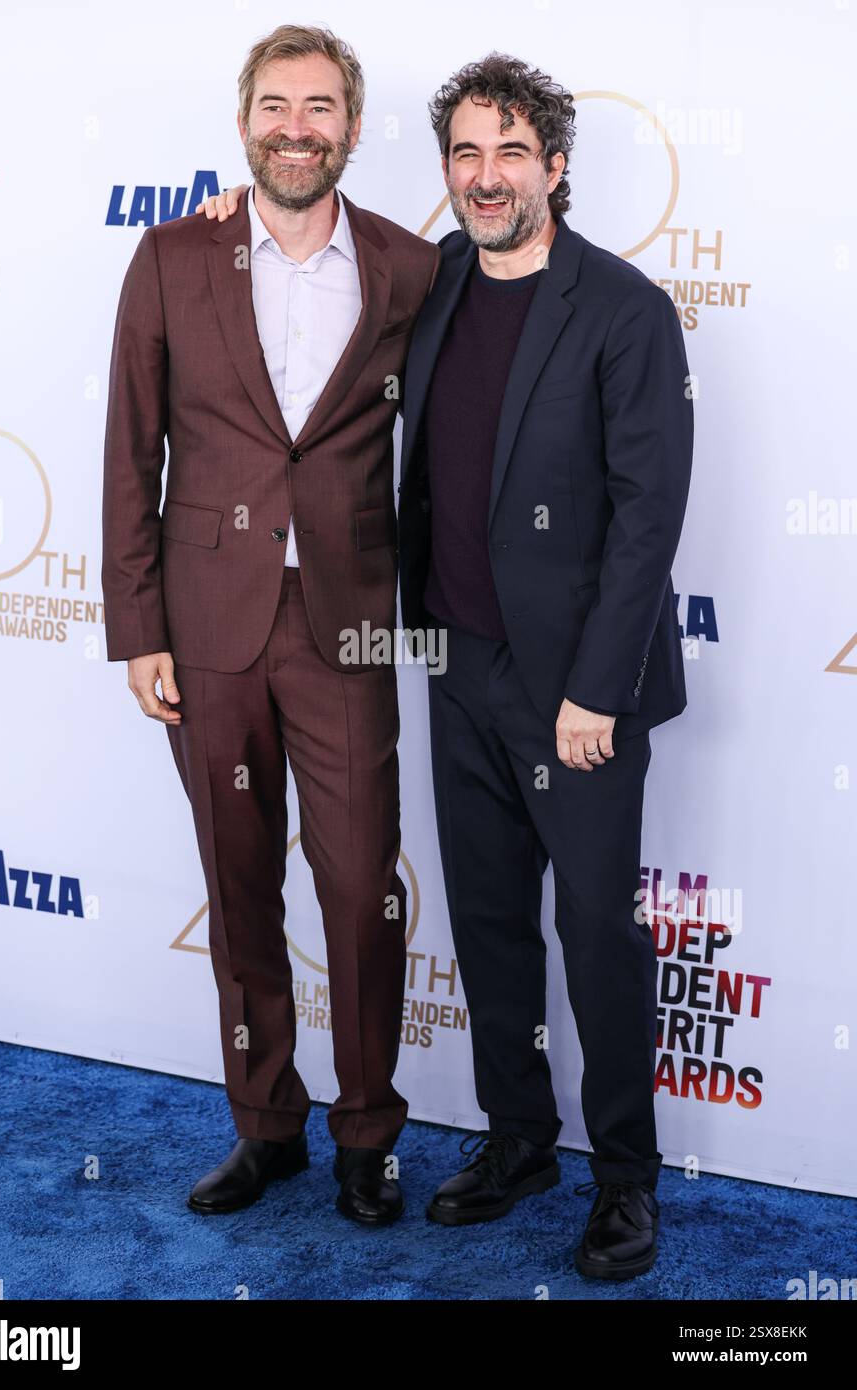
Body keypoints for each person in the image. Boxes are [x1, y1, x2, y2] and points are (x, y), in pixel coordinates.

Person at [201, 50, 694, 1281]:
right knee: (486, 928)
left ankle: (624, 1178)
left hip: (579, 688)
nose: (485, 176)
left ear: (555, 167)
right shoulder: (431, 289)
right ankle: (519, 1137)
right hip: (456, 665)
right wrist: (224, 211)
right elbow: (292, 240)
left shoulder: (624, 310)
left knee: (594, 934)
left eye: (510, 152)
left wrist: (597, 689)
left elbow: (649, 513)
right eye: (465, 153)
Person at [102, 23, 438, 1226]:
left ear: (352, 126)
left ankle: (366, 1131)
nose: (297, 128)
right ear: (245, 118)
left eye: (321, 108)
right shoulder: (170, 257)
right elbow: (129, 448)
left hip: (347, 622)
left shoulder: (409, 267)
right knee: (238, 884)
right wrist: (139, 625)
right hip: (208, 624)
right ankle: (267, 1124)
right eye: (277, 106)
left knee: (358, 887)